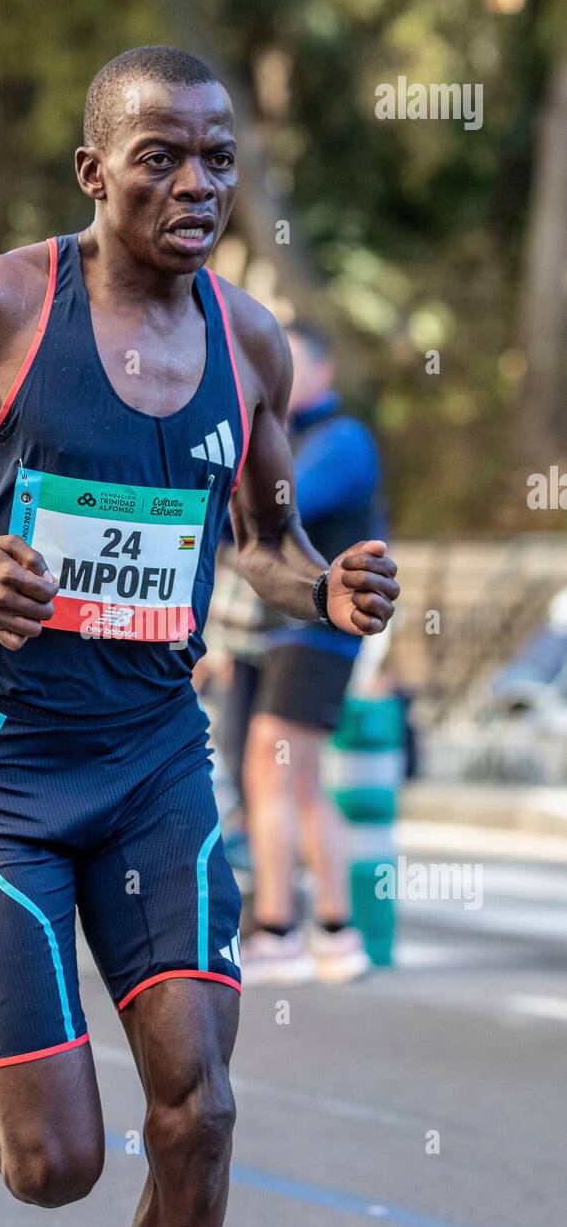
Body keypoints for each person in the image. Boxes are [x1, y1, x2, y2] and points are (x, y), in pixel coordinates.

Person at [0, 46, 399, 1227]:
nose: (195, 185)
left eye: (217, 160)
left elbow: (265, 546)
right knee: (52, 1168)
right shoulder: (0, 309)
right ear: (92, 171)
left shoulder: (251, 346)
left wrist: (323, 589)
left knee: (200, 1113)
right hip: (6, 765)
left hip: (155, 763)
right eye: (160, 158)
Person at [240, 323, 384, 984]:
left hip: (317, 632)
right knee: (296, 779)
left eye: (293, 366)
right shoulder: (291, 436)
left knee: (272, 767)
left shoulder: (343, 439)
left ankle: (279, 928)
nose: (281, 379)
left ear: (324, 373)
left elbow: (282, 504)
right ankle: (334, 929)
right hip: (283, 631)